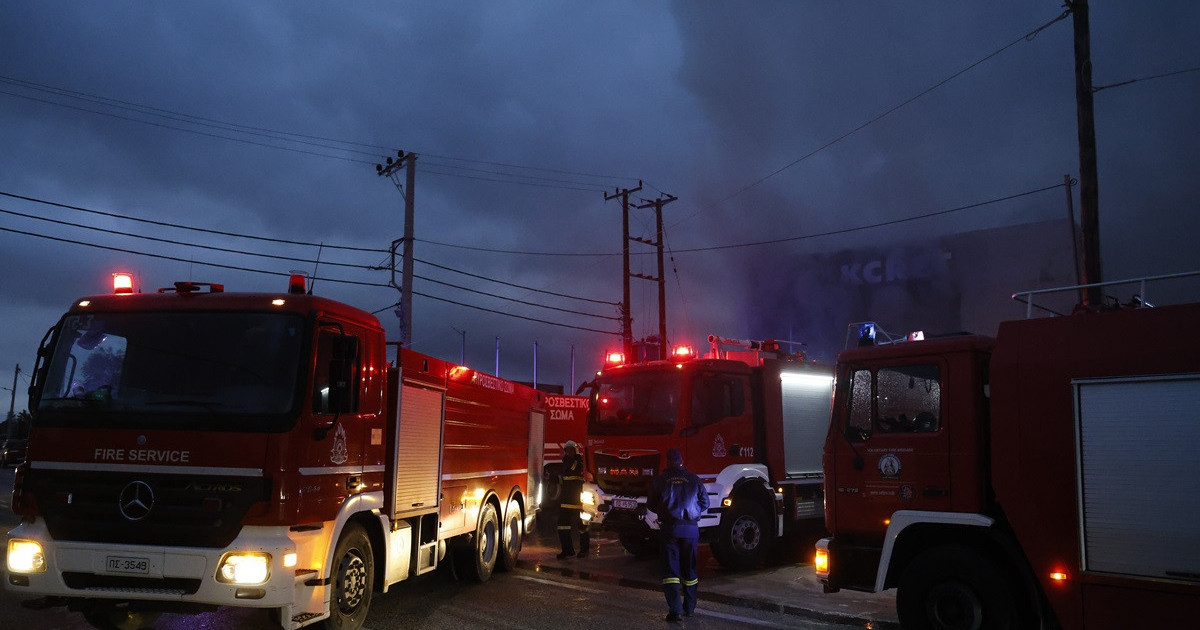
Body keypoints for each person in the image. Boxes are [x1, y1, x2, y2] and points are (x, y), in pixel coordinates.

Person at [647, 447, 709, 622]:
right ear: (682, 461)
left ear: (668, 461)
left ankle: (676, 611)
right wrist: (693, 512)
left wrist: (665, 511)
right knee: (690, 568)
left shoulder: (660, 480)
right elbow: (705, 502)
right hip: (690, 530)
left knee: (671, 571)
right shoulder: (694, 479)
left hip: (669, 530)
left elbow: (651, 505)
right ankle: (689, 608)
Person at [555, 440, 590, 560]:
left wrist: (565, 459)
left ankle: (584, 550)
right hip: (566, 501)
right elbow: (563, 478)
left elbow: (572, 469)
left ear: (575, 451)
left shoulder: (579, 462)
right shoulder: (566, 462)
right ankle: (568, 550)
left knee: (582, 526)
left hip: (578, 501)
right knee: (562, 525)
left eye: (571, 450)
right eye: (567, 450)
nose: (568, 452)